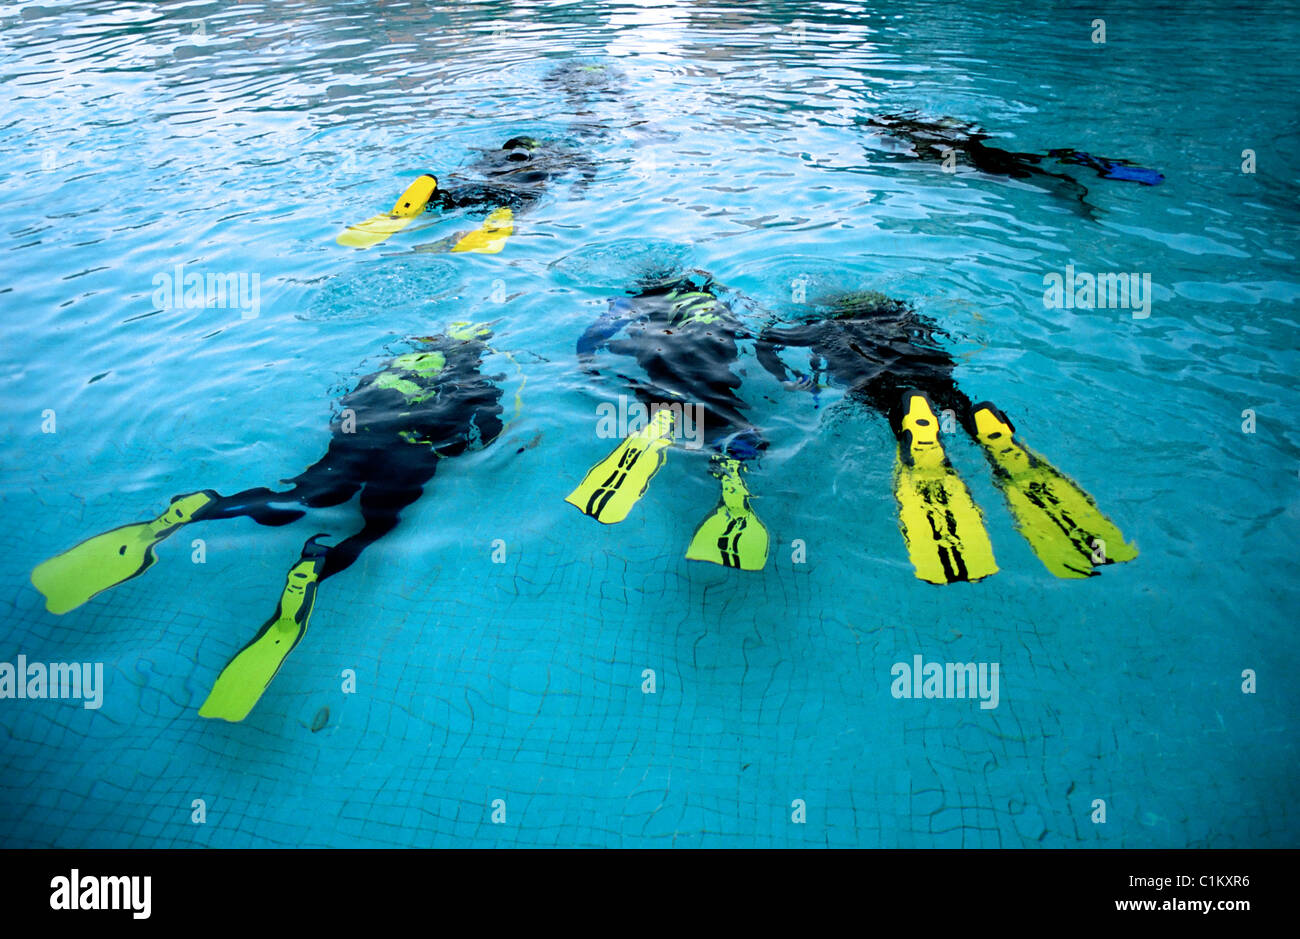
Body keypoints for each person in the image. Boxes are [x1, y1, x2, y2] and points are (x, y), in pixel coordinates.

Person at [30, 323, 509, 721]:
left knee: (302, 497)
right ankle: (315, 567)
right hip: (407, 449)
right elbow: (484, 435)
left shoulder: (395, 366)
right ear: (475, 353)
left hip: (360, 432)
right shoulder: (476, 382)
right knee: (374, 528)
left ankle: (203, 507)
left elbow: (349, 400)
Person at [755, 290, 1138, 584]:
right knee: (952, 400)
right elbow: (953, 332)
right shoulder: (902, 312)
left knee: (891, 397)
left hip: (868, 370)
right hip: (927, 364)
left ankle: (913, 421)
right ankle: (987, 425)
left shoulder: (825, 324)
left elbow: (766, 338)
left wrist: (785, 377)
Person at [565, 270, 770, 571]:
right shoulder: (716, 301)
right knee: (715, 400)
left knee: (664, 385)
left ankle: (658, 426)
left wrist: (586, 358)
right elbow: (758, 328)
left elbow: (598, 331)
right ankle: (731, 469)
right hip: (714, 351)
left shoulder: (641, 302)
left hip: (664, 352)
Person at [864, 111, 1163, 214]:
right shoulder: (929, 128)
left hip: (975, 160)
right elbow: (973, 130)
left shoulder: (907, 138)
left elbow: (933, 160)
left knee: (1025, 173)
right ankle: (1097, 165)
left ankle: (1077, 191)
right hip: (979, 150)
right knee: (1028, 162)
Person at [336, 135, 595, 251]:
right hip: (518, 194)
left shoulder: (490, 158)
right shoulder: (548, 161)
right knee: (518, 209)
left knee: (450, 199)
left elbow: (466, 169)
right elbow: (584, 168)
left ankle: (420, 202)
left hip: (471, 187)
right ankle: (499, 225)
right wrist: (579, 189)